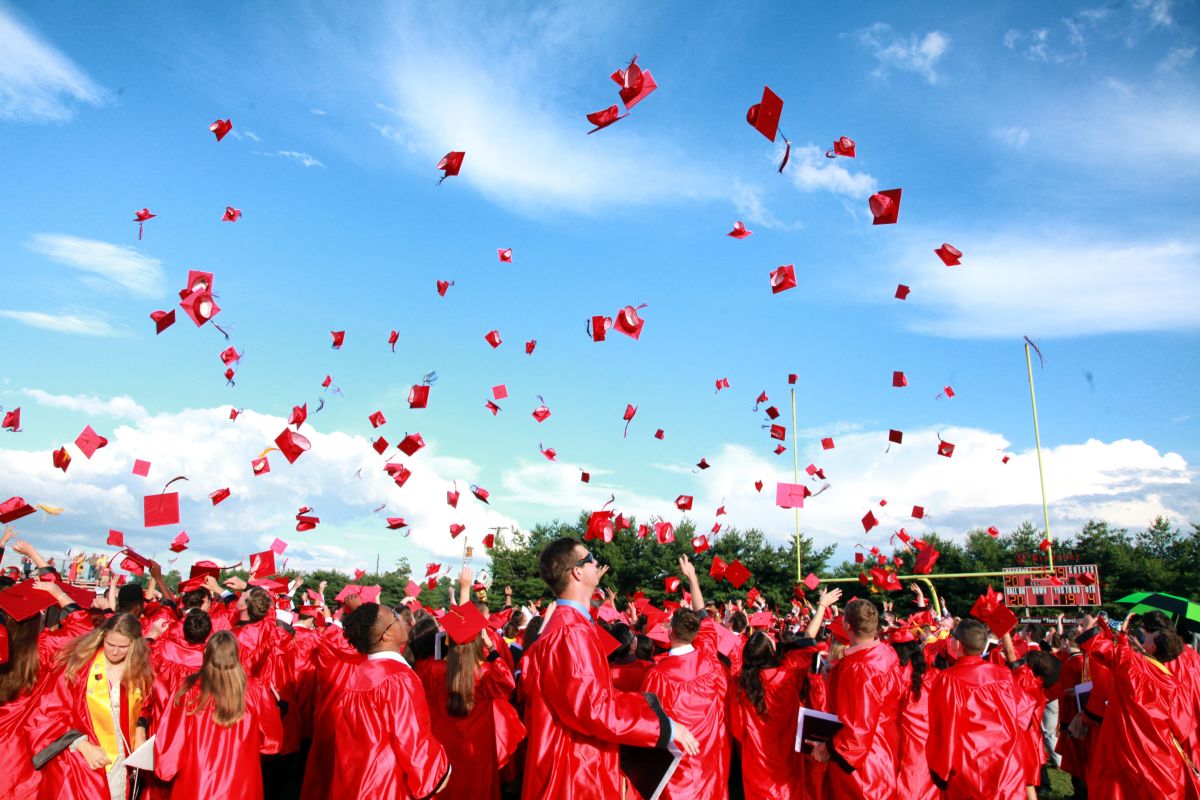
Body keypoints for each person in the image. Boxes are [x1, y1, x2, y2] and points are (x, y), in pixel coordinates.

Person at [520, 538, 700, 800]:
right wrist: (663, 726)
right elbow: (595, 708)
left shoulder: (566, 626)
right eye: (590, 557)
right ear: (577, 572)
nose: (596, 562)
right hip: (576, 770)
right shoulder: (571, 632)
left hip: (572, 759)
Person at [328, 602, 450, 799]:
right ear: (386, 635)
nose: (402, 618)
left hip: (354, 783)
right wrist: (436, 774)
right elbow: (412, 741)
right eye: (395, 616)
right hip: (388, 786)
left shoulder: (357, 675)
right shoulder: (398, 679)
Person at [29, 613, 155, 800]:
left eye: (123, 647)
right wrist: (82, 745)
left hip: (120, 764)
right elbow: (47, 712)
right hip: (79, 763)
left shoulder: (140, 670)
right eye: (110, 644)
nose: (114, 651)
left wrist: (140, 730)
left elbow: (144, 706)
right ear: (102, 636)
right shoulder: (79, 668)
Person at [1075, 611, 1200, 799]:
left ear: (1151, 645)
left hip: (1122, 758)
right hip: (1160, 764)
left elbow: (1095, 646)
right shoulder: (1173, 686)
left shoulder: (1130, 664)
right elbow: (1182, 729)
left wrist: (1093, 626)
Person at [639, 555, 729, 800]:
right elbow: (704, 616)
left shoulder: (657, 675)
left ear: (670, 631)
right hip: (711, 759)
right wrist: (692, 577)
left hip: (680, 767)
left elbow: (648, 724)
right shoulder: (711, 660)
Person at [155, 630, 283, 800]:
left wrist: (164, 770)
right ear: (236, 656)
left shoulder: (189, 691)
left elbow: (170, 745)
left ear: (206, 653)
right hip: (241, 779)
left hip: (198, 779)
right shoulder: (255, 691)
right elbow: (272, 742)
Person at [813, 597, 902, 800]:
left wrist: (827, 748)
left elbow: (858, 730)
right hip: (884, 750)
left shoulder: (859, 669)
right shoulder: (885, 652)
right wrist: (834, 672)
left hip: (862, 769)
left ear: (847, 625)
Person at [927, 619, 1026, 800]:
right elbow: (1024, 713)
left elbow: (943, 728)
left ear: (957, 644)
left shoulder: (948, 679)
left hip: (969, 765)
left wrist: (940, 768)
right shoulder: (1003, 674)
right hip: (1007, 761)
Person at [423, 624, 525, 800]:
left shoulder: (434, 670)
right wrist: (492, 649)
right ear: (479, 642)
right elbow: (508, 683)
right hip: (477, 750)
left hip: (447, 748)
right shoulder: (485, 673)